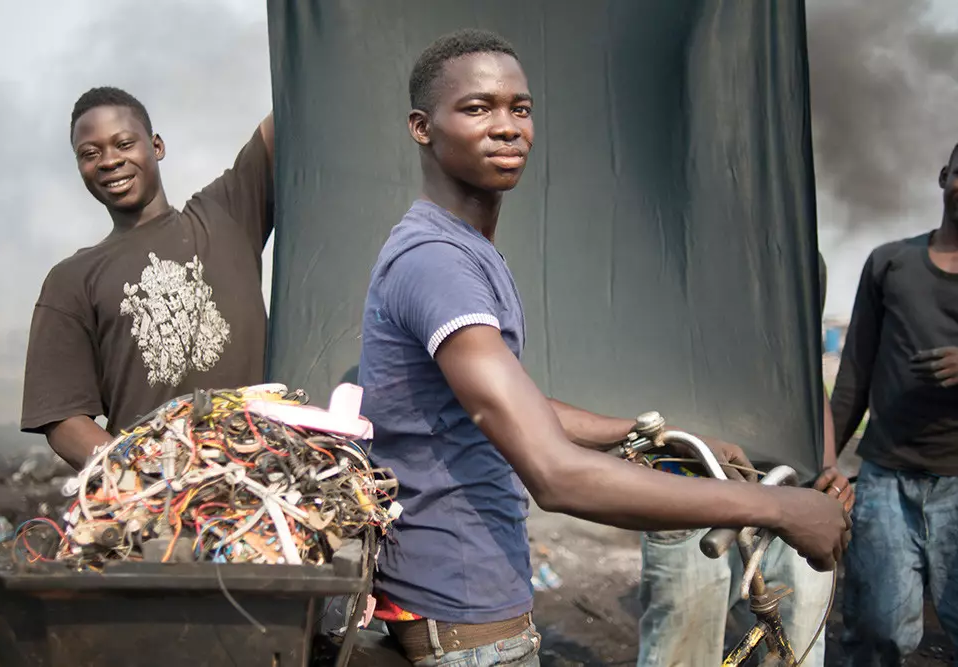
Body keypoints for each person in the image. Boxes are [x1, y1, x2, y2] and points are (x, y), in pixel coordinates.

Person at [356, 29, 851, 667]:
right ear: (422, 127)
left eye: (520, 108)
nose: (507, 126)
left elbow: (517, 403)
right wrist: (779, 508)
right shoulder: (438, 264)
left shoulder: (463, 250)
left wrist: (650, 437)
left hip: (462, 607)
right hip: (465, 619)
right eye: (477, 108)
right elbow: (556, 477)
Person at [20, 87, 274, 470]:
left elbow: (290, 111)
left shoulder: (226, 216)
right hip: (157, 509)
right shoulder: (72, 280)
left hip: (262, 476)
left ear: (156, 146)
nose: (109, 161)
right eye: (90, 153)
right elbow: (62, 417)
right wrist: (137, 473)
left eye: (123, 143)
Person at [637, 254, 855, 667]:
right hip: (688, 489)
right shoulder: (681, 251)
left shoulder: (801, 256)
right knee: (682, 650)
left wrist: (828, 467)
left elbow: (806, 380)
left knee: (796, 647)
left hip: (792, 489)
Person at [832, 144, 958, 666]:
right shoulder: (891, 263)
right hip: (886, 478)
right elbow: (853, 376)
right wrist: (822, 468)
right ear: (944, 176)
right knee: (877, 629)